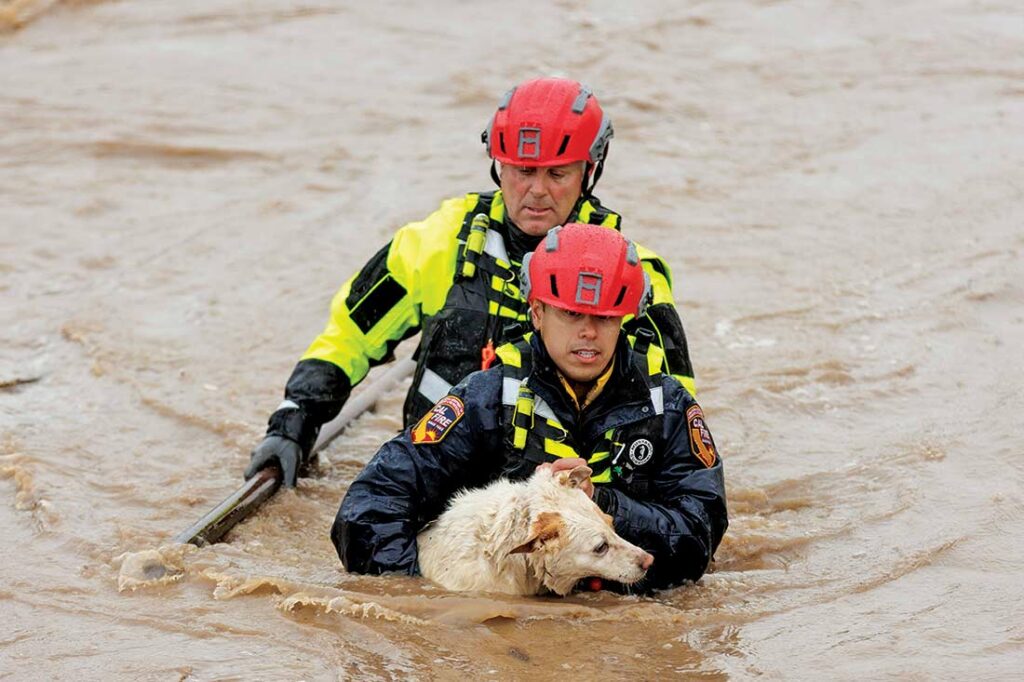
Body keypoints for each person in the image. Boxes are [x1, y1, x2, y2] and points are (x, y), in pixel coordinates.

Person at [245, 77, 697, 489]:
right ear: (498, 166)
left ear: (589, 170)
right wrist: (293, 423)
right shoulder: (437, 242)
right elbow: (351, 333)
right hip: (440, 477)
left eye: (557, 174)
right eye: (522, 170)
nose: (537, 190)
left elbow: (674, 409)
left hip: (567, 499)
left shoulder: (634, 273)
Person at [334, 223, 727, 590]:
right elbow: (367, 509)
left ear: (624, 319)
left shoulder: (669, 408)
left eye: (604, 318)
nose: (588, 331)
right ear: (538, 312)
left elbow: (699, 539)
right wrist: (423, 594)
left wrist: (602, 504)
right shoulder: (485, 399)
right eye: (571, 313)